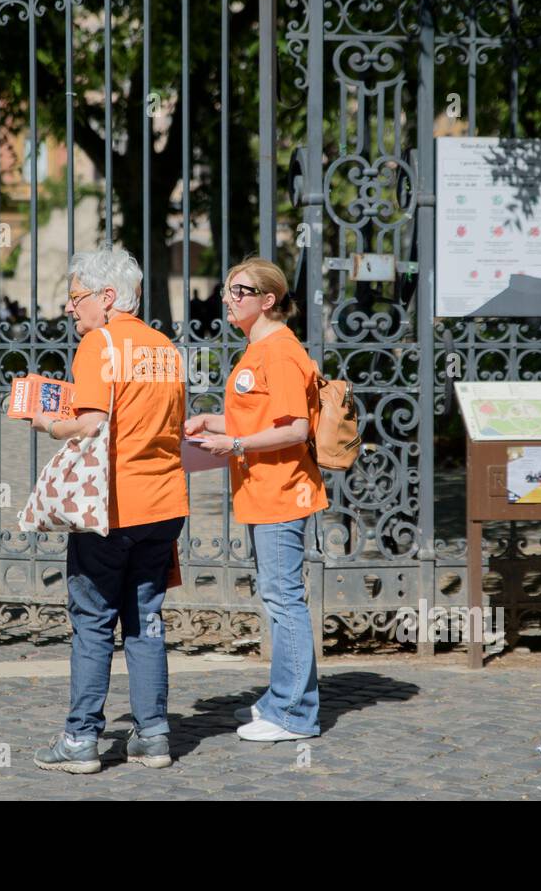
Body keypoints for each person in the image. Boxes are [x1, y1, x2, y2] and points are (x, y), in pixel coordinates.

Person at [30, 247, 188, 773]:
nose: (70, 310)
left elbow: (92, 423)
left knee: (93, 621)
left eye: (76, 298)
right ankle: (154, 735)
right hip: (164, 502)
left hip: (111, 506)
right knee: (145, 620)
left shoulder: (100, 344)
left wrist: (48, 424)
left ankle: (80, 741)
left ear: (107, 297)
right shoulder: (166, 347)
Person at [184, 256, 327, 741]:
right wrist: (213, 423)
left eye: (239, 291)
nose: (228, 298)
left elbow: (295, 429)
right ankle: (282, 701)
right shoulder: (258, 349)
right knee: (277, 598)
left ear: (268, 301)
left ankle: (294, 714)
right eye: (227, 290)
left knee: (284, 600)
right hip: (263, 490)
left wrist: (236, 443)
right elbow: (261, 420)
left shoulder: (280, 352)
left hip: (282, 490)